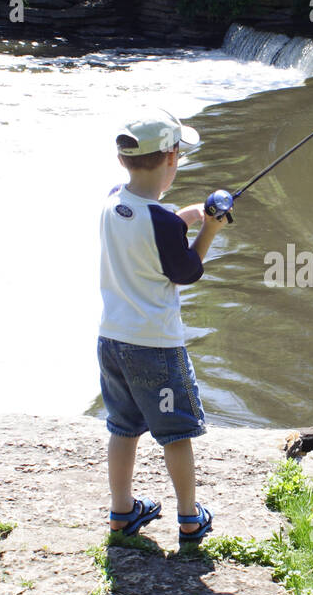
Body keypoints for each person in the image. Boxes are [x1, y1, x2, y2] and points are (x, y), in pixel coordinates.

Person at [97, 108, 228, 546]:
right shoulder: (164, 224)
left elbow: (153, 226)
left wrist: (186, 215)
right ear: (172, 158)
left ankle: (121, 511)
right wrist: (208, 227)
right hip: (155, 348)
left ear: (124, 161)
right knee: (176, 433)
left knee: (123, 427)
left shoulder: (114, 199)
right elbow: (186, 270)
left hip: (112, 341)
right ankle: (190, 518)